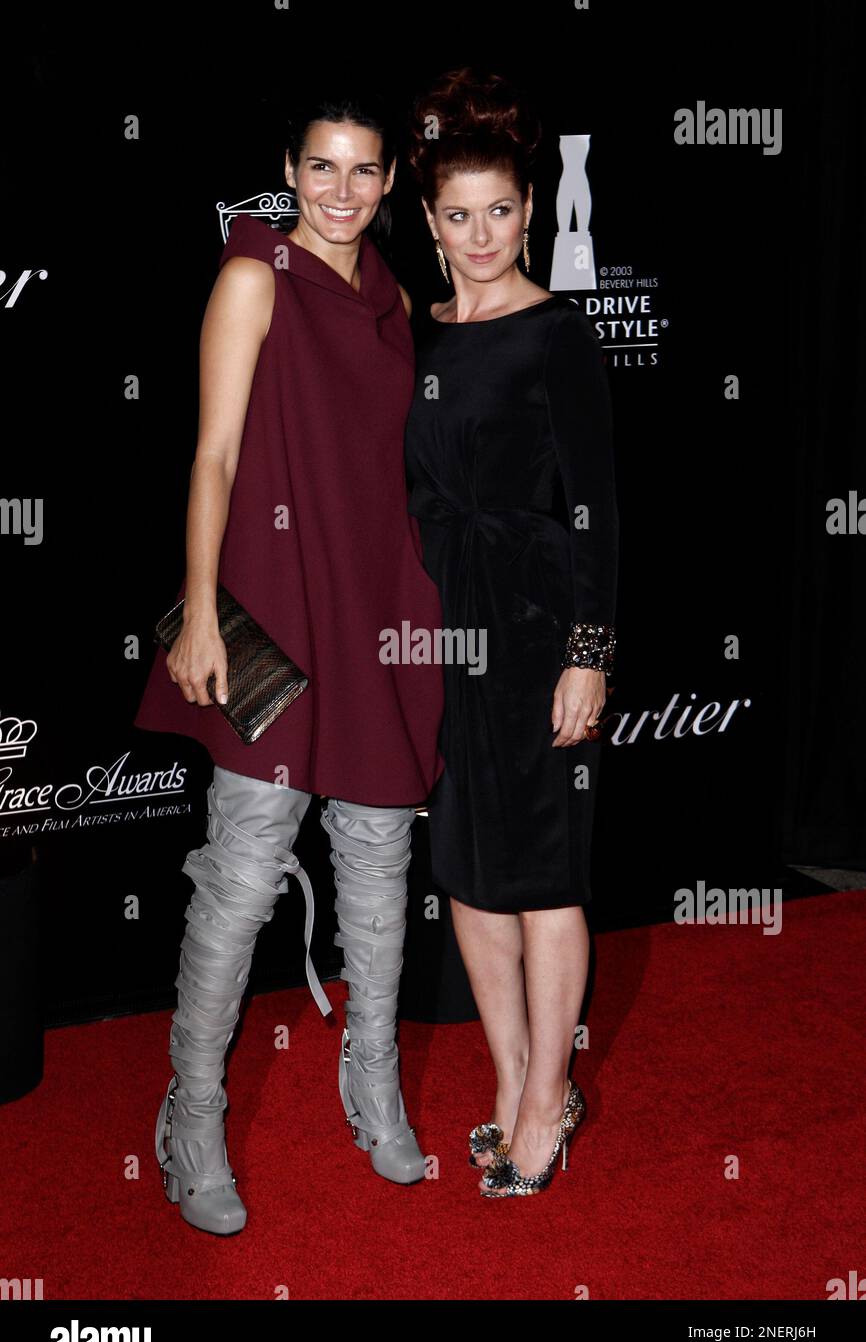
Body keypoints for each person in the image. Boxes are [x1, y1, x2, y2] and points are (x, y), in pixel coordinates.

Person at [133, 91, 444, 1234]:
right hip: (272, 608)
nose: (342, 192)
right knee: (245, 871)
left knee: (376, 860)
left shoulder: (395, 300)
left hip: (377, 613)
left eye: (364, 173)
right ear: (289, 169)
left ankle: (371, 1083)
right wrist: (204, 610)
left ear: (390, 182)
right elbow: (211, 454)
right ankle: (194, 1115)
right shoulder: (253, 276)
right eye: (322, 168)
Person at [403, 68, 619, 1198]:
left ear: (529, 210)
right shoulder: (420, 333)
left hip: (534, 630)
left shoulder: (557, 332)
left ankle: (548, 1100)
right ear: (429, 223)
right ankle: (506, 1078)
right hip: (442, 633)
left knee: (542, 876)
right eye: (457, 214)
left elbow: (596, 504)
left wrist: (589, 650)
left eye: (499, 210)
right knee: (471, 877)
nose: (480, 233)